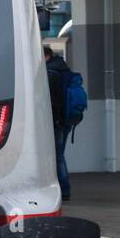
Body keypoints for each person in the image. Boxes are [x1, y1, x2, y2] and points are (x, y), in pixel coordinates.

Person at [44, 45, 72, 201]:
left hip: (55, 121)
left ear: (46, 56)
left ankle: (64, 189)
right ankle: (64, 188)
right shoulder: (64, 69)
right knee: (59, 154)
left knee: (57, 156)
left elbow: (53, 101)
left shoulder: (50, 73)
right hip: (65, 120)